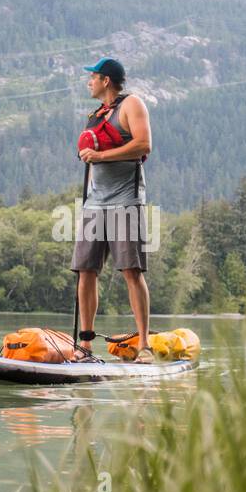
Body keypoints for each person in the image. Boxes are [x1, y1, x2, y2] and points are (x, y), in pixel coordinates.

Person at [71, 58, 154, 362]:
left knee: (131, 271)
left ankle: (144, 346)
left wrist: (101, 156)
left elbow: (143, 145)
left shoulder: (132, 104)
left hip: (126, 200)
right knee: (85, 270)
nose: (88, 82)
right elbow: (92, 157)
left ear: (106, 80)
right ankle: (86, 344)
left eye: (92, 77)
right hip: (95, 203)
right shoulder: (94, 115)